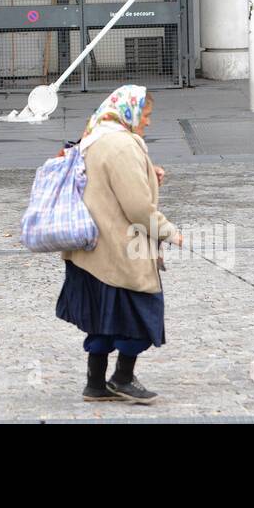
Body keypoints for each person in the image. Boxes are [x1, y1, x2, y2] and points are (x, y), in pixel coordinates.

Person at [57, 85, 182, 404]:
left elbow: (106, 182)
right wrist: (169, 232)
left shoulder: (96, 135)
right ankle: (123, 379)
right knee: (141, 316)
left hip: (92, 252)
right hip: (119, 251)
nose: (148, 122)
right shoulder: (122, 145)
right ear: (130, 111)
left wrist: (149, 173)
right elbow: (137, 208)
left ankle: (95, 384)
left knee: (102, 320)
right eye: (146, 115)